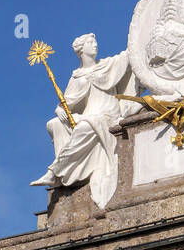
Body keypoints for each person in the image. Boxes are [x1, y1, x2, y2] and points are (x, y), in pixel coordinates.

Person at [31, 33, 137, 209]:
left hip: (107, 113)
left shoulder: (107, 65)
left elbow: (129, 54)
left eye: (95, 41)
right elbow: (65, 103)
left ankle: (55, 171)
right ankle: (63, 170)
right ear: (81, 50)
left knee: (88, 124)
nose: (95, 45)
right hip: (90, 115)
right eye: (90, 42)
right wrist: (60, 111)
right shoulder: (77, 76)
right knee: (54, 124)